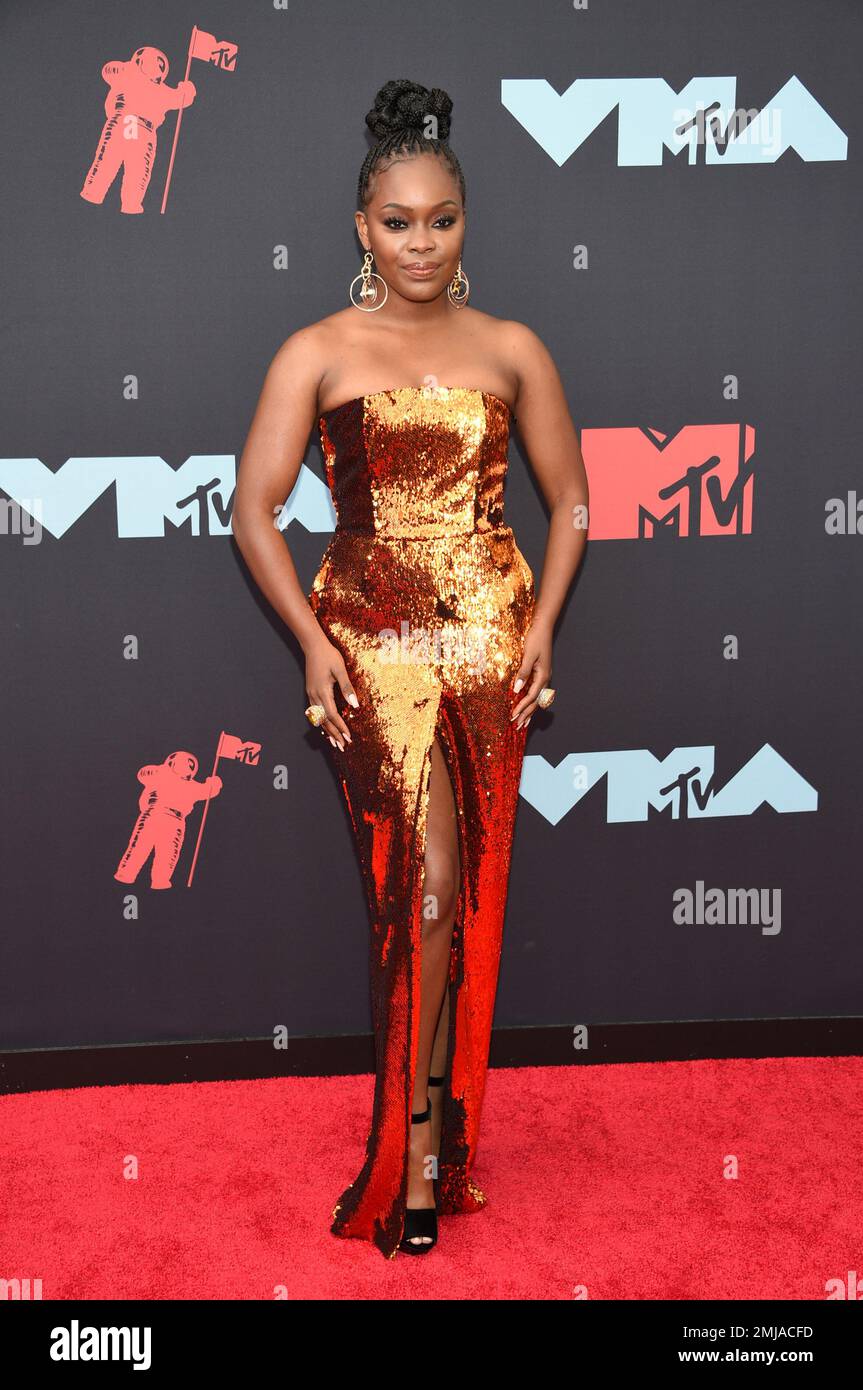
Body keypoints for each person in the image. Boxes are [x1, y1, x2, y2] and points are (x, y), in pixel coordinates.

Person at [232, 78, 589, 1259]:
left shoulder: (511, 347)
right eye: (397, 222)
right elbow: (253, 511)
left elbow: (571, 501)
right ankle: (410, 1151)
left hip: (489, 631)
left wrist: (543, 623)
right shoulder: (319, 351)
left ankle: (439, 1141)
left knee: (472, 888)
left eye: (440, 219)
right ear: (360, 227)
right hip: (372, 640)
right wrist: (313, 641)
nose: (420, 242)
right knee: (422, 883)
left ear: (464, 222)